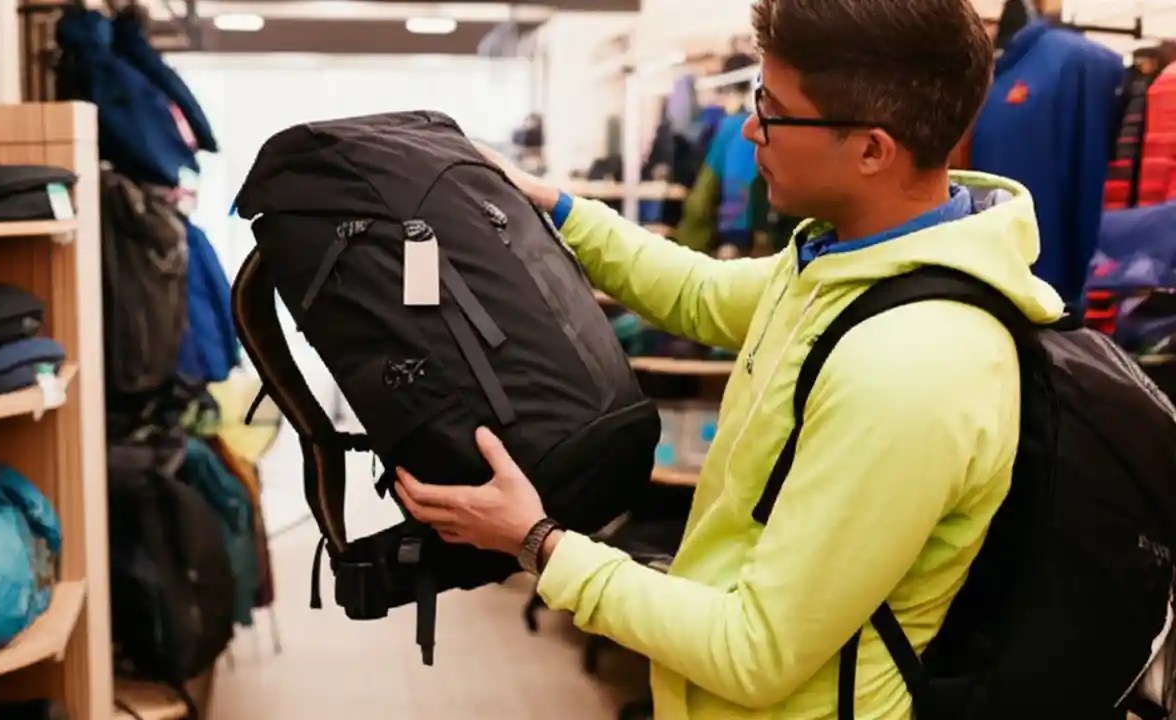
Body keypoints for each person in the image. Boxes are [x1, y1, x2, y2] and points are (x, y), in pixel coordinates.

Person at [394, 0, 1066, 717]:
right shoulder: (847, 266)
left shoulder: (911, 369)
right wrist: (556, 208)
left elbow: (757, 654)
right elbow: (703, 293)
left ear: (872, 149)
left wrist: (538, 543)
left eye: (773, 112)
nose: (748, 129)